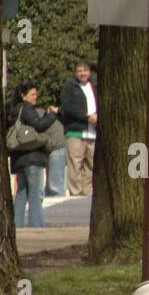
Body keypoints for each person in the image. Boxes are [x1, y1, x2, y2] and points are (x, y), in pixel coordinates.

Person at [9, 82, 58, 228]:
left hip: (19, 158)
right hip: (32, 157)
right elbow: (39, 125)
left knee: (21, 194)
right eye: (32, 95)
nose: (35, 97)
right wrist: (51, 115)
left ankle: (16, 225)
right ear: (23, 96)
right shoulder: (27, 108)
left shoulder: (14, 110)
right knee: (35, 195)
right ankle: (36, 225)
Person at [59, 60, 97, 196]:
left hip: (93, 132)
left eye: (85, 70)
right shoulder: (69, 87)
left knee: (91, 164)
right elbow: (68, 107)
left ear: (89, 72)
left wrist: (97, 117)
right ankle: (76, 191)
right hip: (75, 131)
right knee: (75, 162)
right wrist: (86, 117)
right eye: (80, 71)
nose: (83, 73)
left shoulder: (94, 86)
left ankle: (88, 191)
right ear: (75, 73)